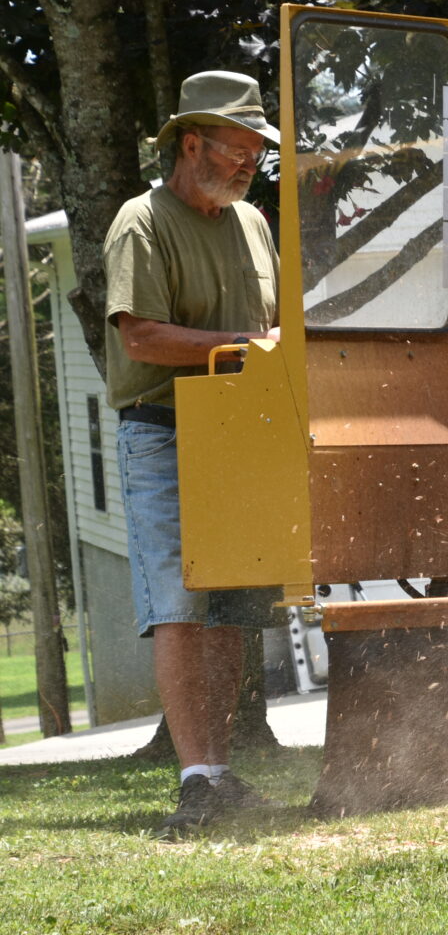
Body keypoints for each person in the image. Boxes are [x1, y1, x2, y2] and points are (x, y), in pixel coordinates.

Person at [104, 71, 282, 837]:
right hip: (165, 431)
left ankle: (223, 774)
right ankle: (196, 781)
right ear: (190, 143)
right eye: (238, 148)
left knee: (235, 607)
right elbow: (139, 335)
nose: (250, 164)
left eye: (257, 153)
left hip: (244, 433)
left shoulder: (254, 223)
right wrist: (247, 345)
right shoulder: (140, 222)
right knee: (181, 609)